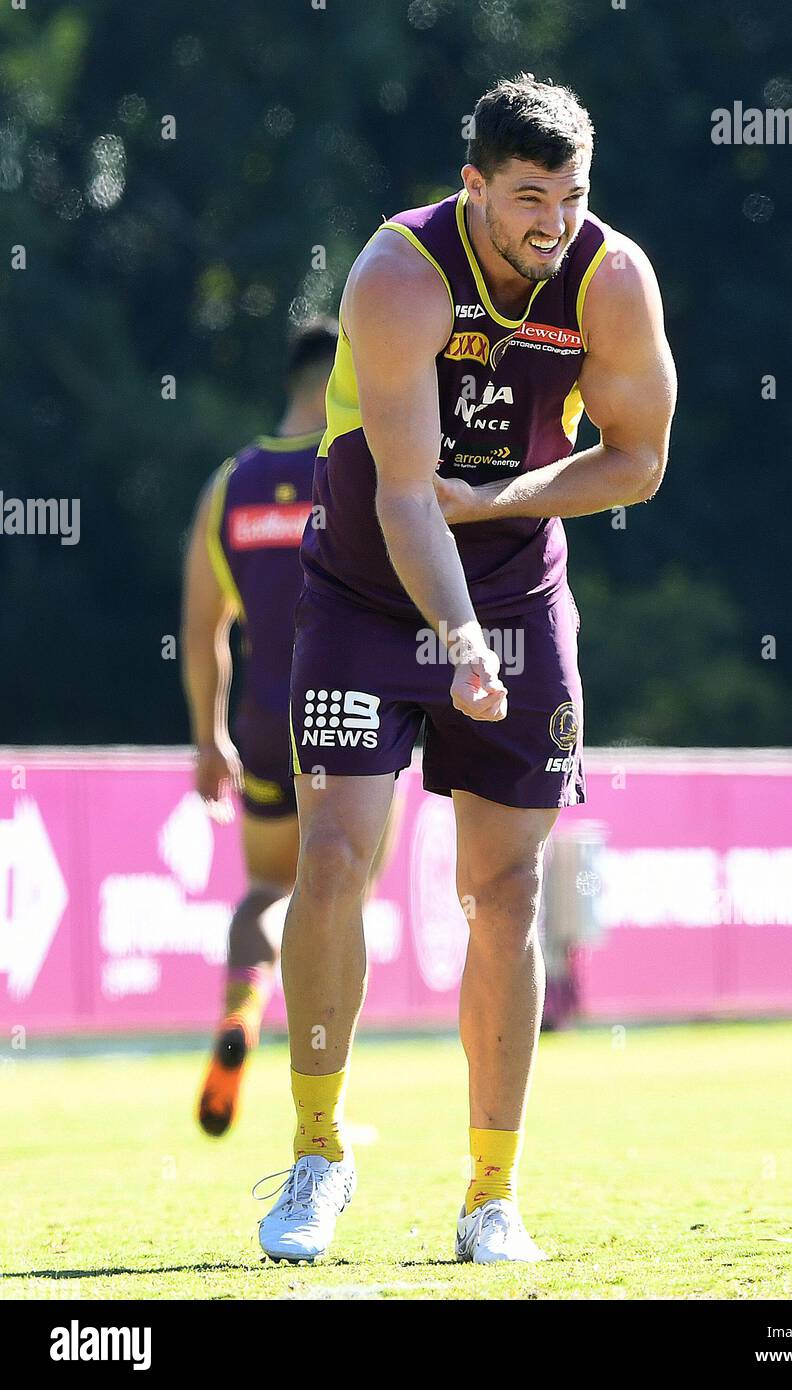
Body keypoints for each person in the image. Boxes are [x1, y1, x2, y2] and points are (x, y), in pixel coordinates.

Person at [257, 74, 676, 1263]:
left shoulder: (612, 280)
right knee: (334, 854)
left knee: (507, 894)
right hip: (366, 588)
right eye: (529, 197)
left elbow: (636, 460)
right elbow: (402, 493)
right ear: (473, 185)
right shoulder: (400, 275)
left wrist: (497, 501)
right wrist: (451, 638)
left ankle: (491, 1192)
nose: (552, 222)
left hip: (516, 590)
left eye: (573, 196)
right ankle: (316, 1157)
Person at [182, 318, 394, 1137]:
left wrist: (209, 740)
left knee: (271, 893)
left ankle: (243, 1009)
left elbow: (202, 627)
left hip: (267, 721)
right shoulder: (365, 462)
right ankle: (331, 1104)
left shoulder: (229, 484)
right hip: (357, 712)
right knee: (344, 903)